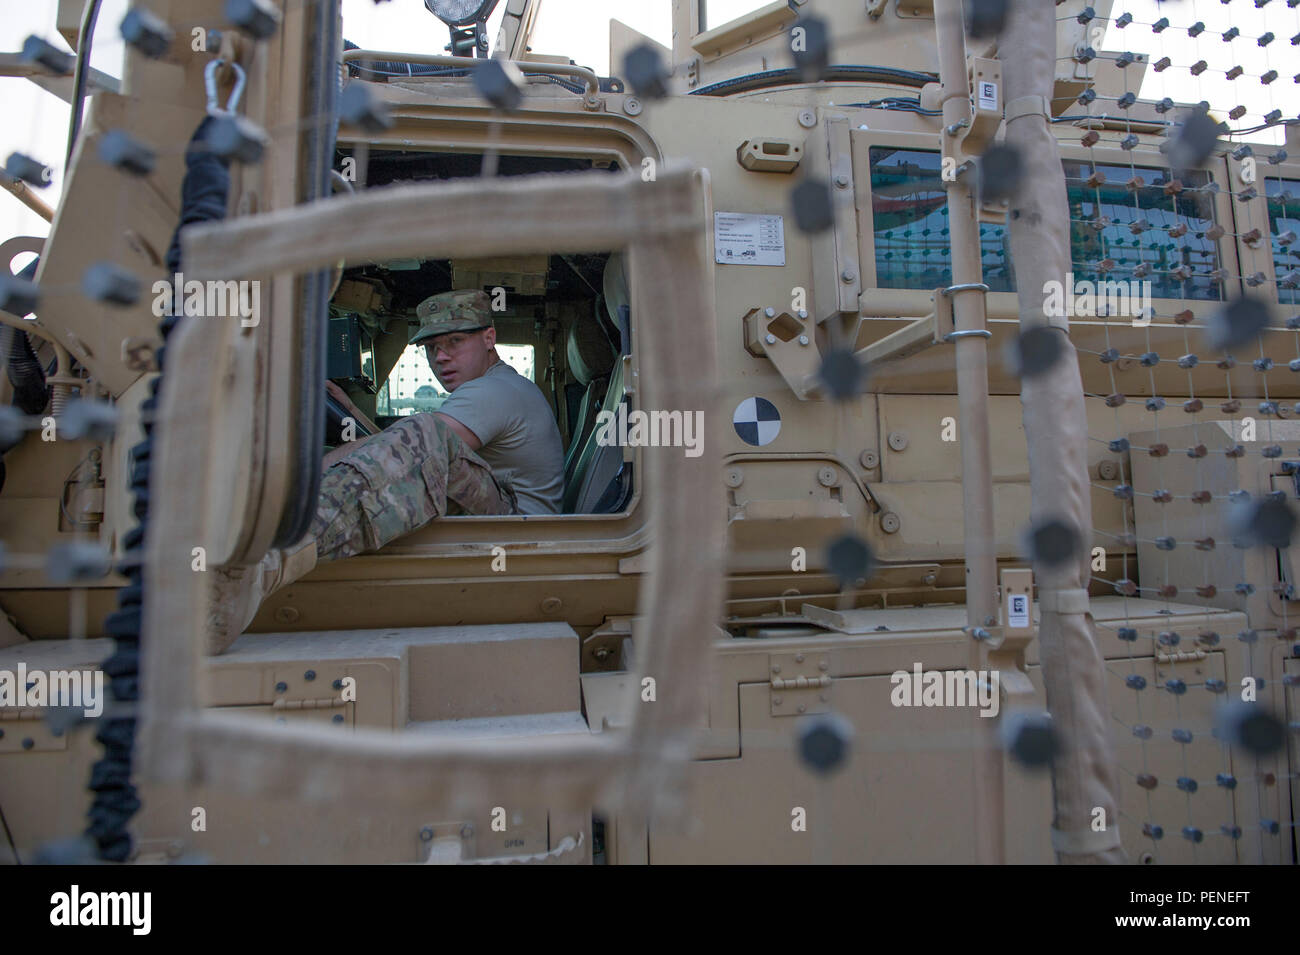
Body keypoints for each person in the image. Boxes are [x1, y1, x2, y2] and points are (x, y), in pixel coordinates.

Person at [208, 289, 564, 653]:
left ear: (489, 338)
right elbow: (403, 458)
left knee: (425, 431)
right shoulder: (495, 387)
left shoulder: (494, 391)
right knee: (413, 438)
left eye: (456, 341)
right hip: (501, 520)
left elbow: (423, 447)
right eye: (431, 347)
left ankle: (263, 562)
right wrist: (352, 414)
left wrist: (305, 477)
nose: (441, 357)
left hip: (517, 537)